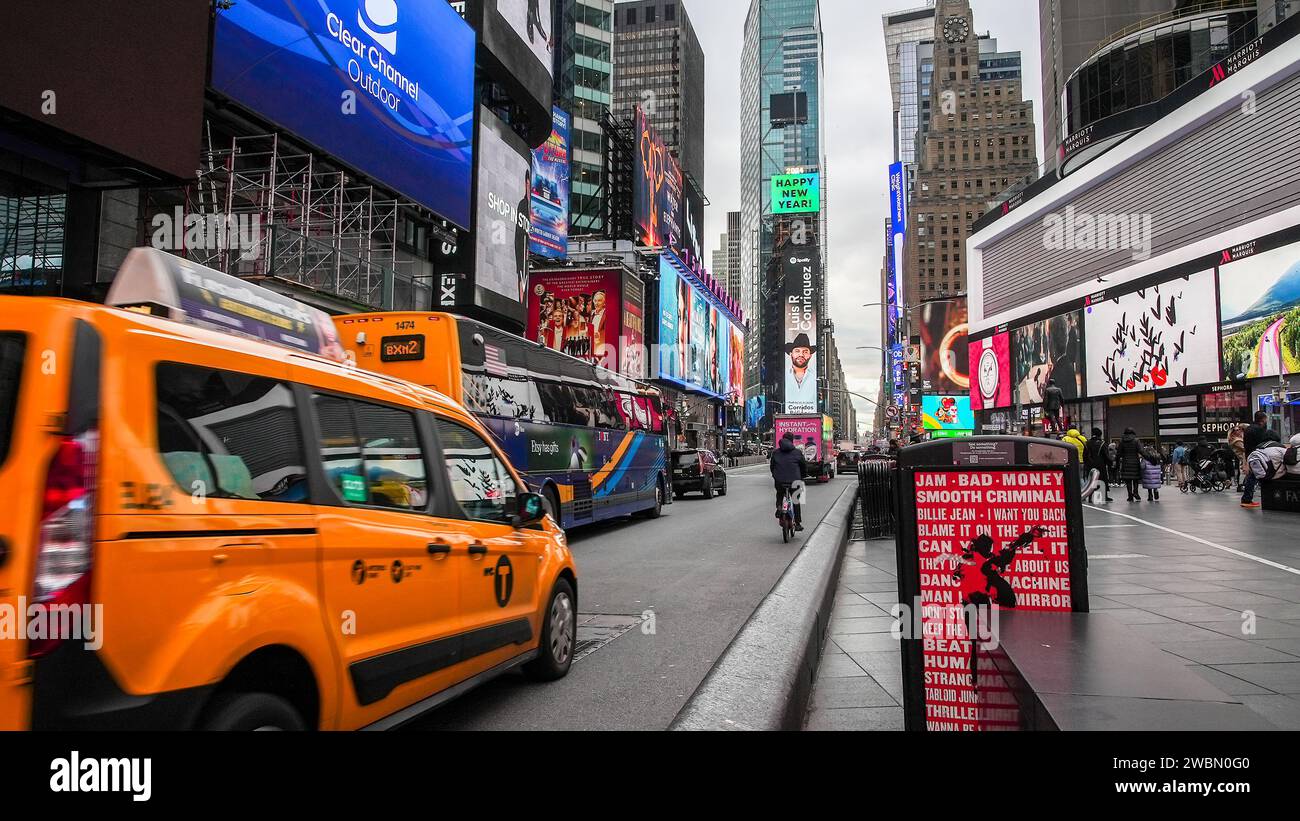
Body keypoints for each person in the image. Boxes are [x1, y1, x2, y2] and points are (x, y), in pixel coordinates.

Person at [1242, 411, 1282, 508]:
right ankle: (1247, 499)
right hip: (1258, 456)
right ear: (1263, 419)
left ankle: (1247, 498)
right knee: (1255, 476)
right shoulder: (1259, 430)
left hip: (1250, 455)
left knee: (1253, 476)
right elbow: (1262, 443)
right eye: (1265, 418)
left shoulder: (1248, 429)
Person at [770, 431, 808, 532]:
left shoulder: (776, 452)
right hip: (795, 481)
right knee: (795, 500)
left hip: (780, 481)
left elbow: (772, 467)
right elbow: (803, 467)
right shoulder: (797, 452)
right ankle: (798, 523)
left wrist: (775, 476)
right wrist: (803, 476)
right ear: (792, 441)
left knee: (779, 494)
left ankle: (779, 507)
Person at [1083, 427, 1113, 502]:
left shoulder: (1087, 443)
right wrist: (1110, 463)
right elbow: (1106, 456)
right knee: (1102, 480)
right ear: (1100, 435)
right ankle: (1104, 496)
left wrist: (1087, 463)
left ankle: (1090, 497)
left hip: (1090, 465)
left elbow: (1084, 455)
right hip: (1100, 465)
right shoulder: (1102, 443)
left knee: (1091, 480)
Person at [1118, 428, 1143, 502]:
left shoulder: (1122, 441)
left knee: (1128, 480)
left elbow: (1119, 453)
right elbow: (1141, 451)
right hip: (1135, 462)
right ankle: (1135, 492)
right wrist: (1150, 458)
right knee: (1135, 479)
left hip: (1126, 462)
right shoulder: (1136, 440)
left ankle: (1130, 496)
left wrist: (1116, 461)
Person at [1229, 424, 1247, 491]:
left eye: (1239, 429)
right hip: (1243, 457)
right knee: (1244, 472)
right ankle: (1241, 486)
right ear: (1233, 432)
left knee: (1243, 472)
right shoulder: (1237, 441)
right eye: (1237, 430)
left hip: (1243, 457)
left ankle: (1241, 485)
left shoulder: (1237, 439)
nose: (1239, 430)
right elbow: (1245, 448)